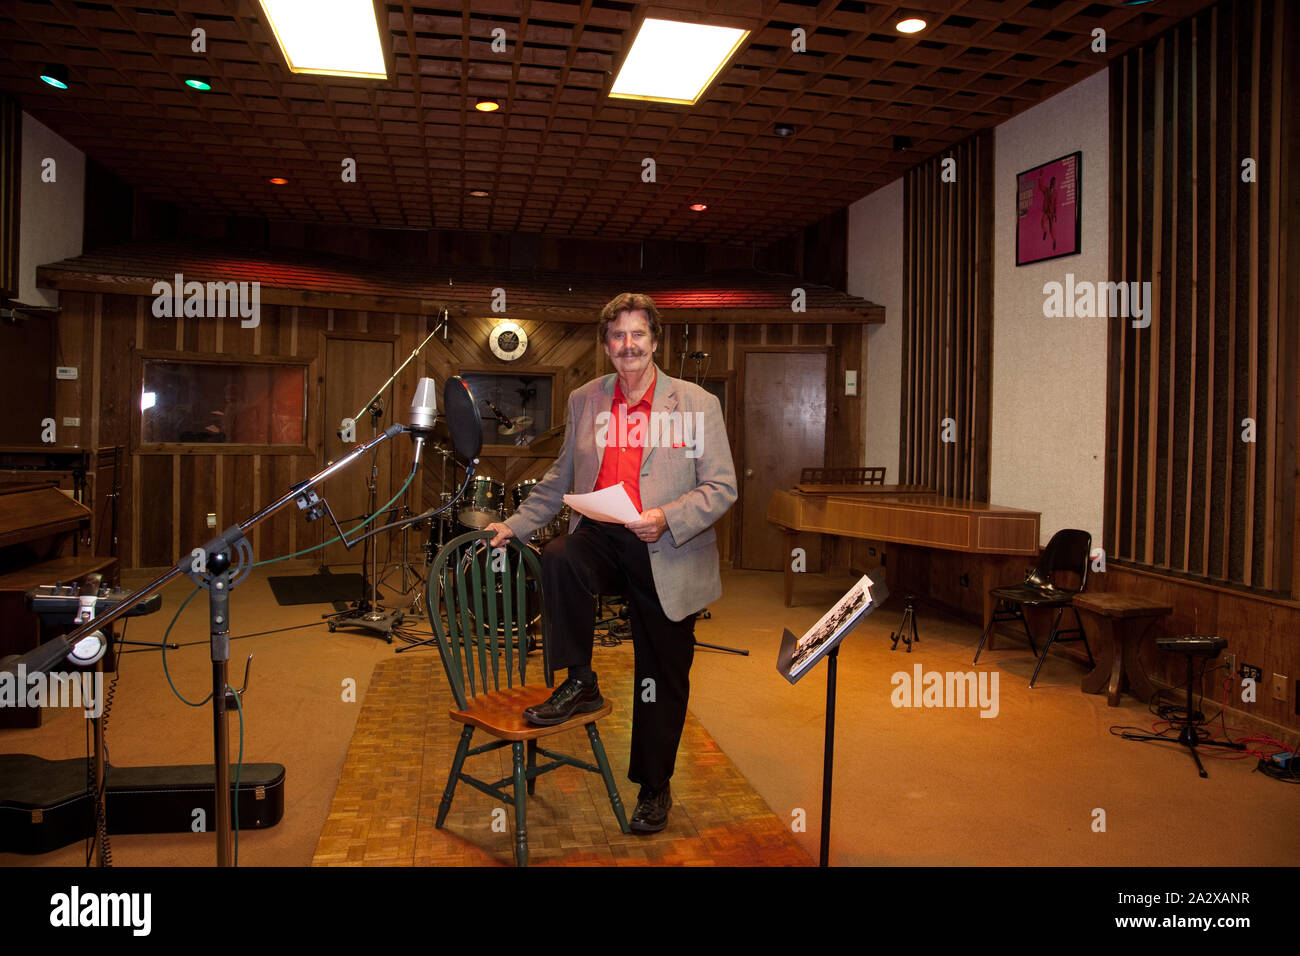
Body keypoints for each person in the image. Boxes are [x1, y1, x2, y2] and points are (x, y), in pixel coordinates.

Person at [485, 292, 737, 834]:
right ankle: (580, 680)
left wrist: (667, 516)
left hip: (665, 546)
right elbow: (558, 478)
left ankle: (653, 787)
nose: (628, 346)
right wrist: (515, 524)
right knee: (558, 557)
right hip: (603, 532)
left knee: (659, 675)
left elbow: (722, 487)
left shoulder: (696, 404)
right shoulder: (585, 400)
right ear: (606, 345)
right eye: (618, 336)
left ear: (654, 341)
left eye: (638, 335)